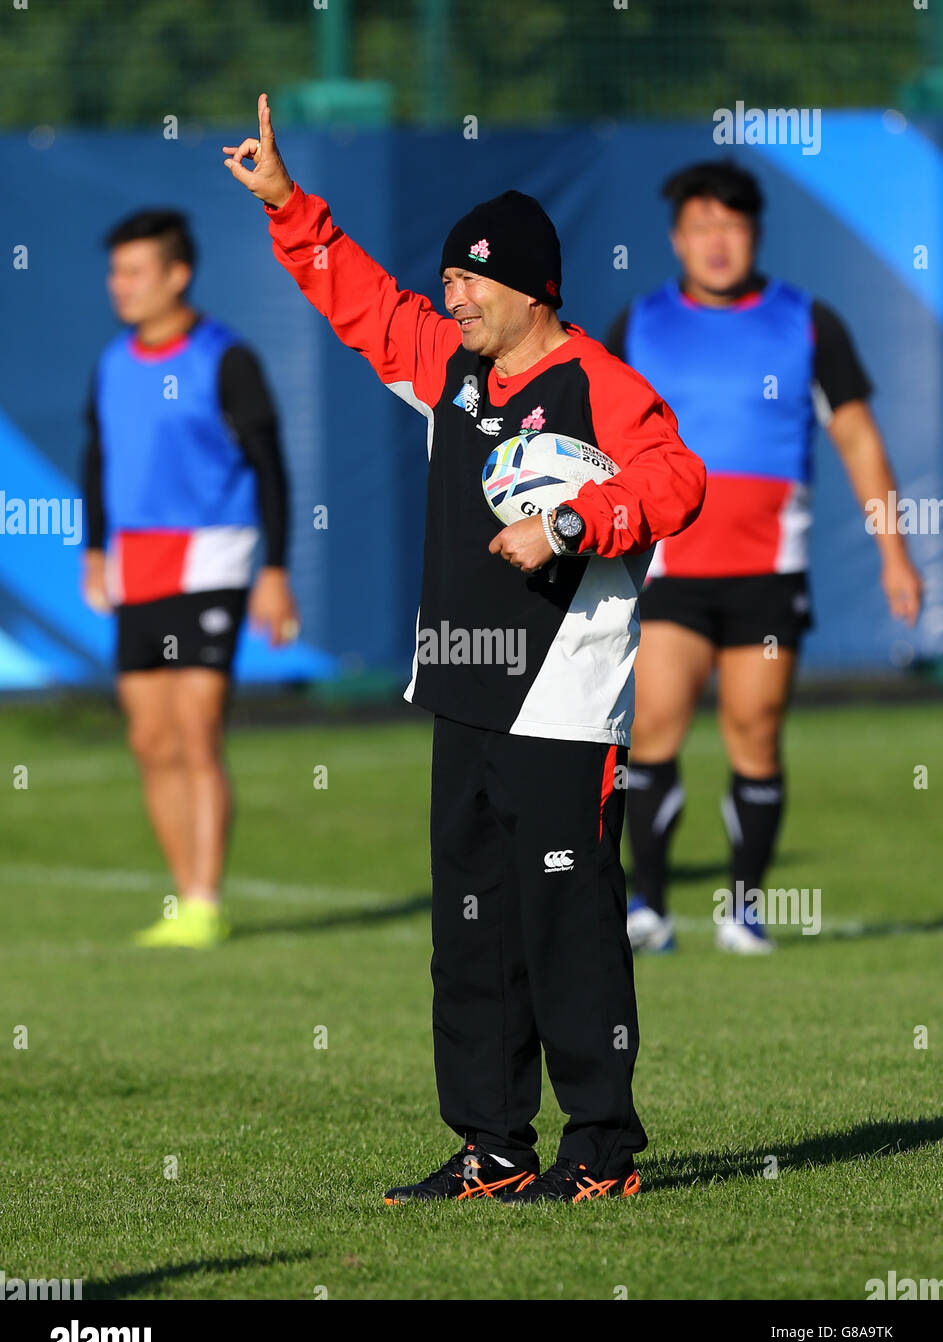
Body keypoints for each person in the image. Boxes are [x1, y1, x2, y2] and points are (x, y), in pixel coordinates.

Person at [224, 94, 705, 1204]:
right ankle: (492, 1141)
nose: (453, 299)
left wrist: (574, 522)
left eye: (472, 282)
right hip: (463, 679)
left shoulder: (598, 384)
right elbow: (361, 304)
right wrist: (291, 208)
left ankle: (600, 1145)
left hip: (564, 699)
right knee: (473, 930)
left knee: (568, 921)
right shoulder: (447, 366)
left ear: (533, 286)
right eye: (448, 282)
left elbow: (675, 481)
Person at [605, 161, 922, 956]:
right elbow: (597, 447)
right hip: (669, 570)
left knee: (754, 729)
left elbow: (857, 441)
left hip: (766, 576)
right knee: (652, 726)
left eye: (732, 225)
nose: (717, 242)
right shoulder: (636, 325)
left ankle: (743, 912)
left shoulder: (808, 322)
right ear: (677, 238)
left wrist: (895, 555)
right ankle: (648, 907)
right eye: (701, 226)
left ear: (755, 233)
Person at [81, 207, 299, 948]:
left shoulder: (224, 358)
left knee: (196, 728)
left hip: (213, 553)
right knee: (149, 738)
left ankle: (207, 900)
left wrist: (275, 568)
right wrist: (93, 550)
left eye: (136, 270)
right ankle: (182, 898)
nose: (122, 285)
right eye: (115, 271)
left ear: (179, 274)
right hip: (136, 558)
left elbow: (270, 466)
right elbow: (98, 457)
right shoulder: (112, 362)